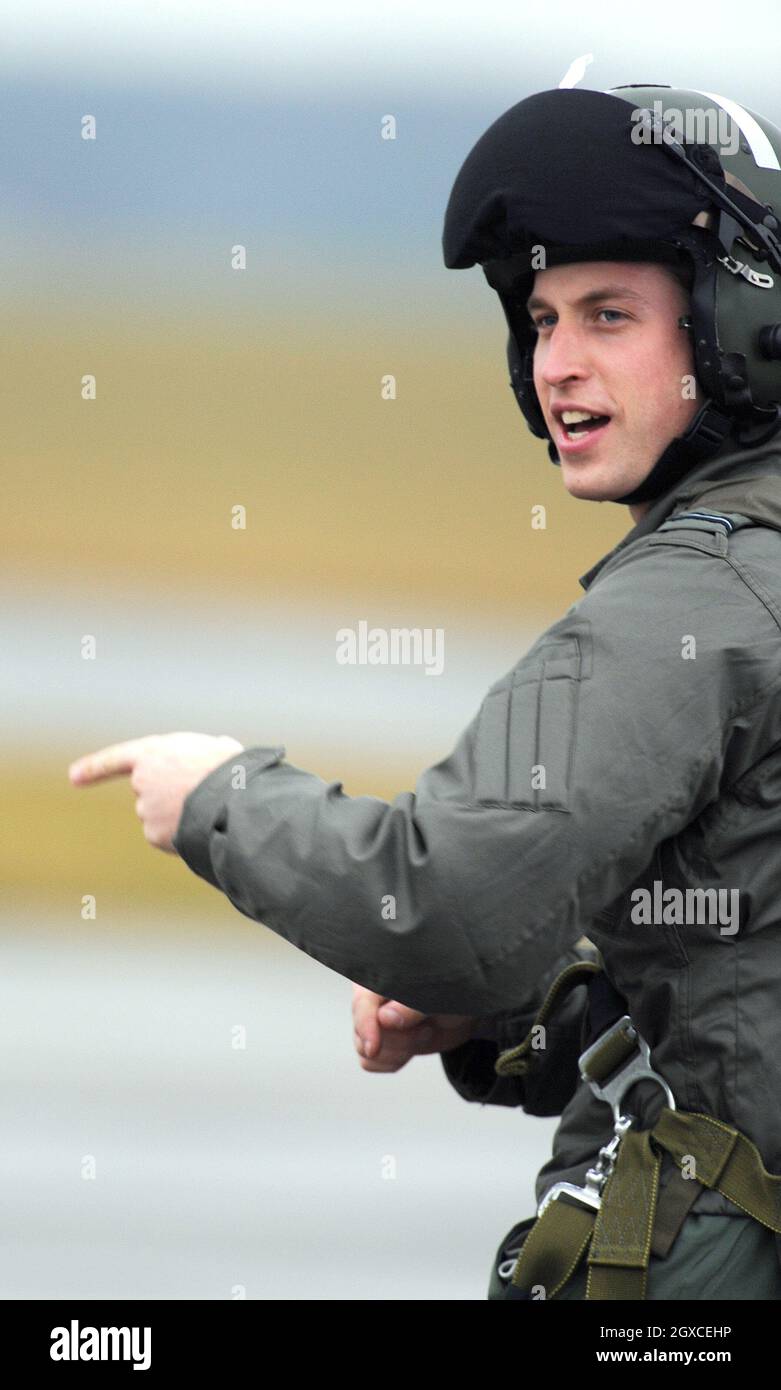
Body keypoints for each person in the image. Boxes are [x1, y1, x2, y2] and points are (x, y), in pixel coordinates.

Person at [69, 82, 781, 1299]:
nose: (557, 364)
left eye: (609, 314)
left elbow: (445, 897)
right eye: (542, 318)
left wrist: (216, 800)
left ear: (733, 320)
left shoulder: (698, 599)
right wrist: (528, 1017)